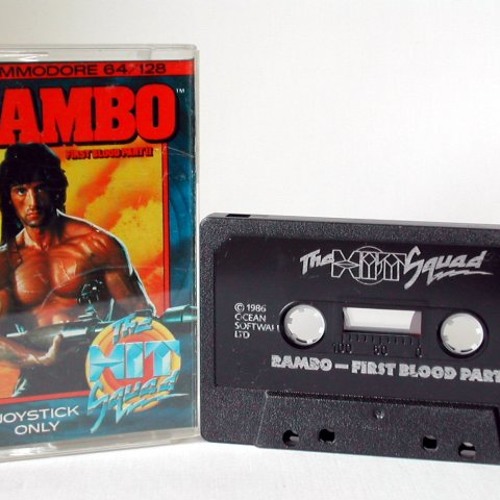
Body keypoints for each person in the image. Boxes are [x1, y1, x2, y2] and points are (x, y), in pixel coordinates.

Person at [0, 143, 154, 395]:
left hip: (101, 368)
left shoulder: (97, 245)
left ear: (56, 189)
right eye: (21, 191)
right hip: (38, 372)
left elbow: (142, 315)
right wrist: (38, 358)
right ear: (9, 197)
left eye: (41, 188)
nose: (33, 202)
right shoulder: (5, 261)